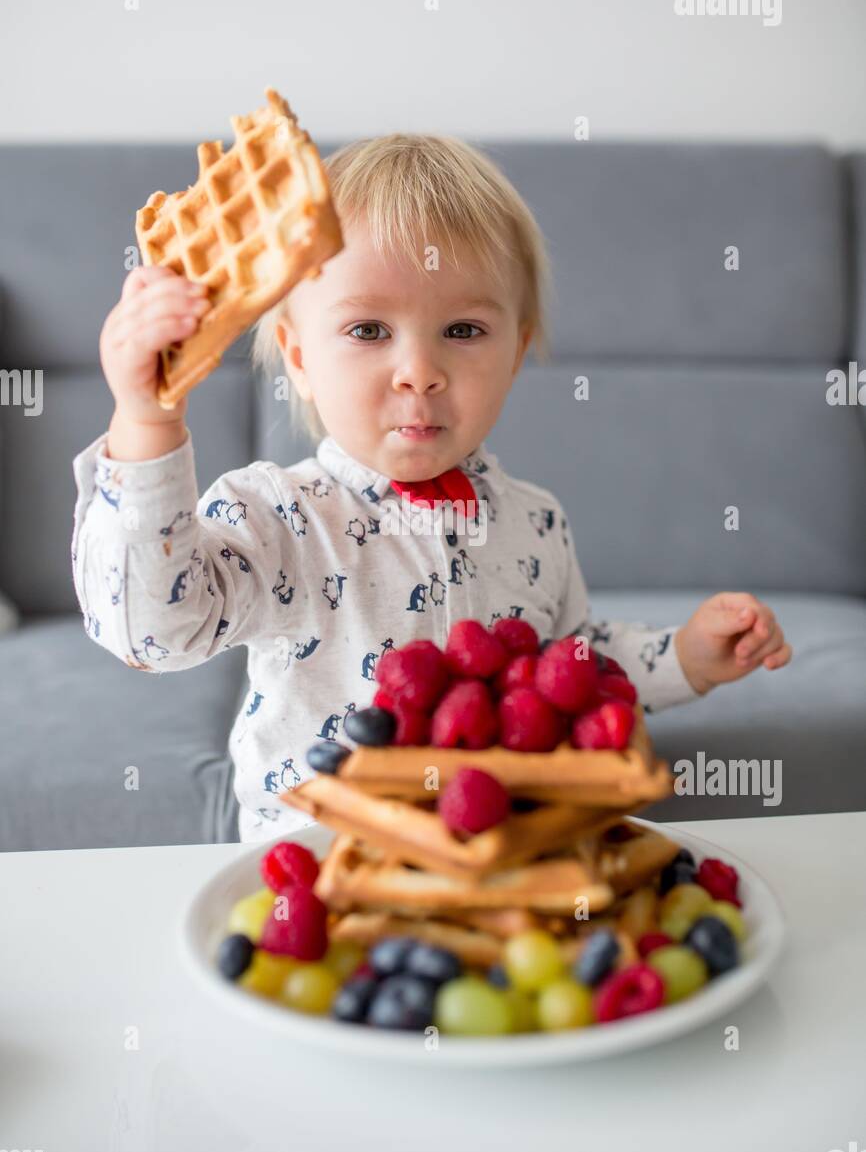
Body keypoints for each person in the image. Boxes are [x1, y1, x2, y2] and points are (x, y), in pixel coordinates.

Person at [71, 132, 792, 842]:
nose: (419, 369)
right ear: (298, 356)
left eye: (465, 329)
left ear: (516, 352)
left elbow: (566, 665)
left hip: (498, 863)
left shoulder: (536, 523)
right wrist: (146, 421)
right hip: (325, 872)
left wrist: (687, 658)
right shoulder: (276, 517)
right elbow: (150, 631)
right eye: (369, 330)